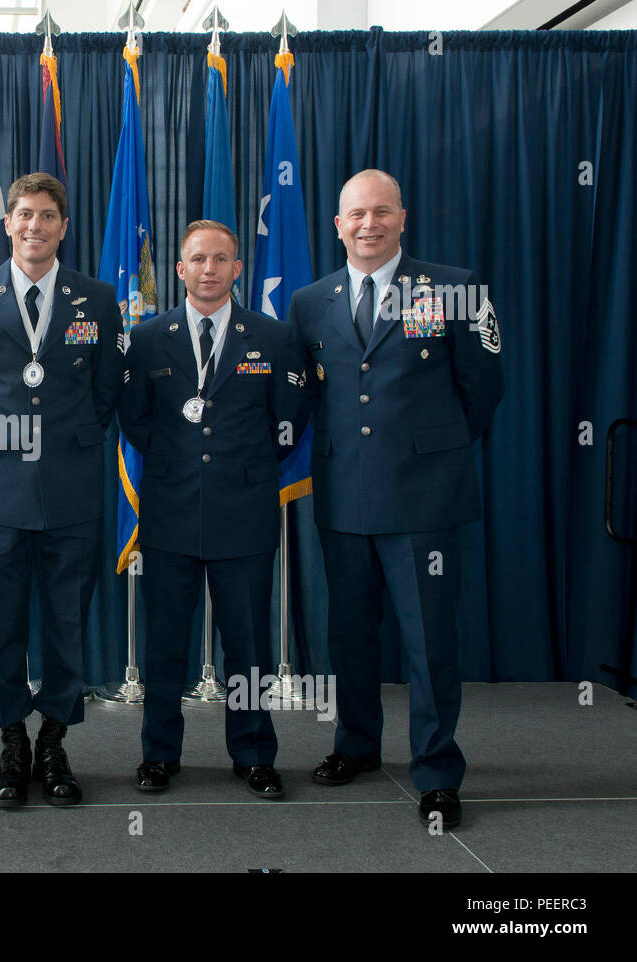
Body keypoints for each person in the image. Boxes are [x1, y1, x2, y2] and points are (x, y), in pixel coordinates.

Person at [287, 169, 504, 828]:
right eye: (356, 214)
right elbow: (309, 394)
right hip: (344, 499)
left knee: (429, 642)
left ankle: (437, 771)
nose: (369, 224)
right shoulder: (309, 301)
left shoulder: (455, 288)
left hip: (424, 501)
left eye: (382, 212)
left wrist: (425, 454)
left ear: (402, 219)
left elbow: (483, 389)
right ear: (338, 225)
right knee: (349, 636)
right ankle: (355, 745)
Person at [0, 172, 123, 807]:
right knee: (1, 621)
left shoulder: (98, 299)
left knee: (69, 620)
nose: (35, 226)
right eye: (24, 215)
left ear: (63, 226)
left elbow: (106, 393)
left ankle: (55, 742)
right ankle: (12, 740)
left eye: (48, 216)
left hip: (72, 490)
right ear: (7, 223)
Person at [120, 220, 308, 797]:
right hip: (171, 510)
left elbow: (290, 421)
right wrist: (182, 463)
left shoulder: (273, 337)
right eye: (197, 259)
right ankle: (159, 754)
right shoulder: (148, 338)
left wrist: (239, 465)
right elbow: (135, 418)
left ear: (237, 269)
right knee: (165, 644)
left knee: (247, 643)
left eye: (221, 259)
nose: (209, 269)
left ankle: (253, 752)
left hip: (244, 512)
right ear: (179, 269)